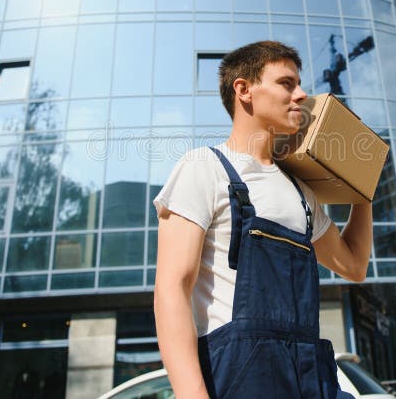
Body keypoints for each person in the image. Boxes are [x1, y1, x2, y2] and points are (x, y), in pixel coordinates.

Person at [153, 41, 372, 398]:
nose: (301, 95)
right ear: (244, 90)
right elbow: (172, 288)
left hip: (306, 373)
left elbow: (354, 266)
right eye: (287, 83)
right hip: (240, 377)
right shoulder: (204, 168)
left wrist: (363, 190)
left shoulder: (302, 194)